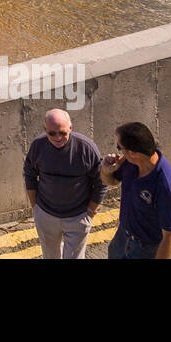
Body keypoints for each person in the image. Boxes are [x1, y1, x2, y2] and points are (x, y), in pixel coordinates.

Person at [24, 109, 107, 259]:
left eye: (62, 132)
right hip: (46, 214)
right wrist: (35, 208)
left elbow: (102, 181)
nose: (57, 137)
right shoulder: (38, 146)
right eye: (52, 133)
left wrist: (90, 212)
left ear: (70, 128)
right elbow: (29, 176)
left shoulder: (86, 149)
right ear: (45, 130)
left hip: (78, 216)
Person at [100, 122, 171, 259]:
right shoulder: (130, 163)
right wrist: (106, 170)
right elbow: (110, 181)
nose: (119, 152)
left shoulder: (166, 186)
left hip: (146, 250)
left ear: (132, 153)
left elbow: (170, 238)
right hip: (122, 238)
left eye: (119, 148)